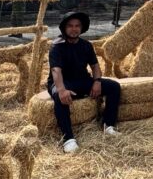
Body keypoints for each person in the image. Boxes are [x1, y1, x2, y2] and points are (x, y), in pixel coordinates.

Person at [48, 11, 121, 153]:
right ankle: (68, 139)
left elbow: (95, 66)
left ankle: (108, 125)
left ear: (81, 28)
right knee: (59, 96)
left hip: (82, 80)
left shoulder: (86, 45)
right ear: (64, 28)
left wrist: (97, 81)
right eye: (70, 26)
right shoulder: (56, 46)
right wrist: (62, 90)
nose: (74, 29)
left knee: (114, 87)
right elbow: (56, 71)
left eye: (77, 26)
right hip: (64, 82)